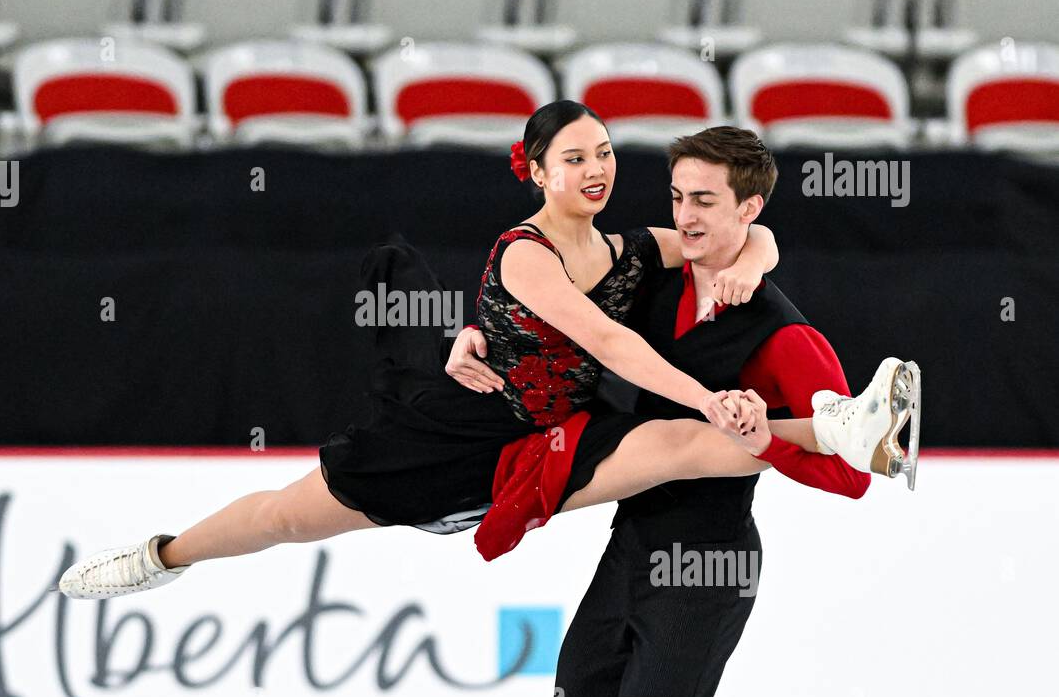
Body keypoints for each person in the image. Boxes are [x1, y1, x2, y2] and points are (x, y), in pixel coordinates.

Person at [54, 103, 913, 601]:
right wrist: (703, 390)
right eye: (575, 157)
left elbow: (736, 236)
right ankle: (162, 557)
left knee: (693, 451)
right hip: (457, 433)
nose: (596, 168)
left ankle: (846, 428)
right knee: (287, 519)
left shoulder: (633, 247)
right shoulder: (525, 254)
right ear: (538, 172)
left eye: (606, 153)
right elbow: (609, 340)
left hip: (558, 439)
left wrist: (753, 264)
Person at [444, 123, 921, 697]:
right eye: (676, 197)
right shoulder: (650, 284)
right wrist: (474, 337)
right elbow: (555, 316)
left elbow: (853, 474)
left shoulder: (784, 336)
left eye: (704, 201)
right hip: (629, 549)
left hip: (710, 567)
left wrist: (763, 440)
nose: (684, 217)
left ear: (749, 207)